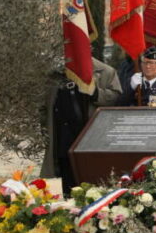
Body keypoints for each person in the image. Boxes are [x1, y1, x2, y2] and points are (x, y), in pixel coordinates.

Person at [42, 56, 122, 192]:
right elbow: (43, 106)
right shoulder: (53, 74)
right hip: (63, 138)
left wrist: (95, 93)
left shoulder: (105, 71)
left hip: (91, 140)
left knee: (93, 184)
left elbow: (116, 98)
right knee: (67, 183)